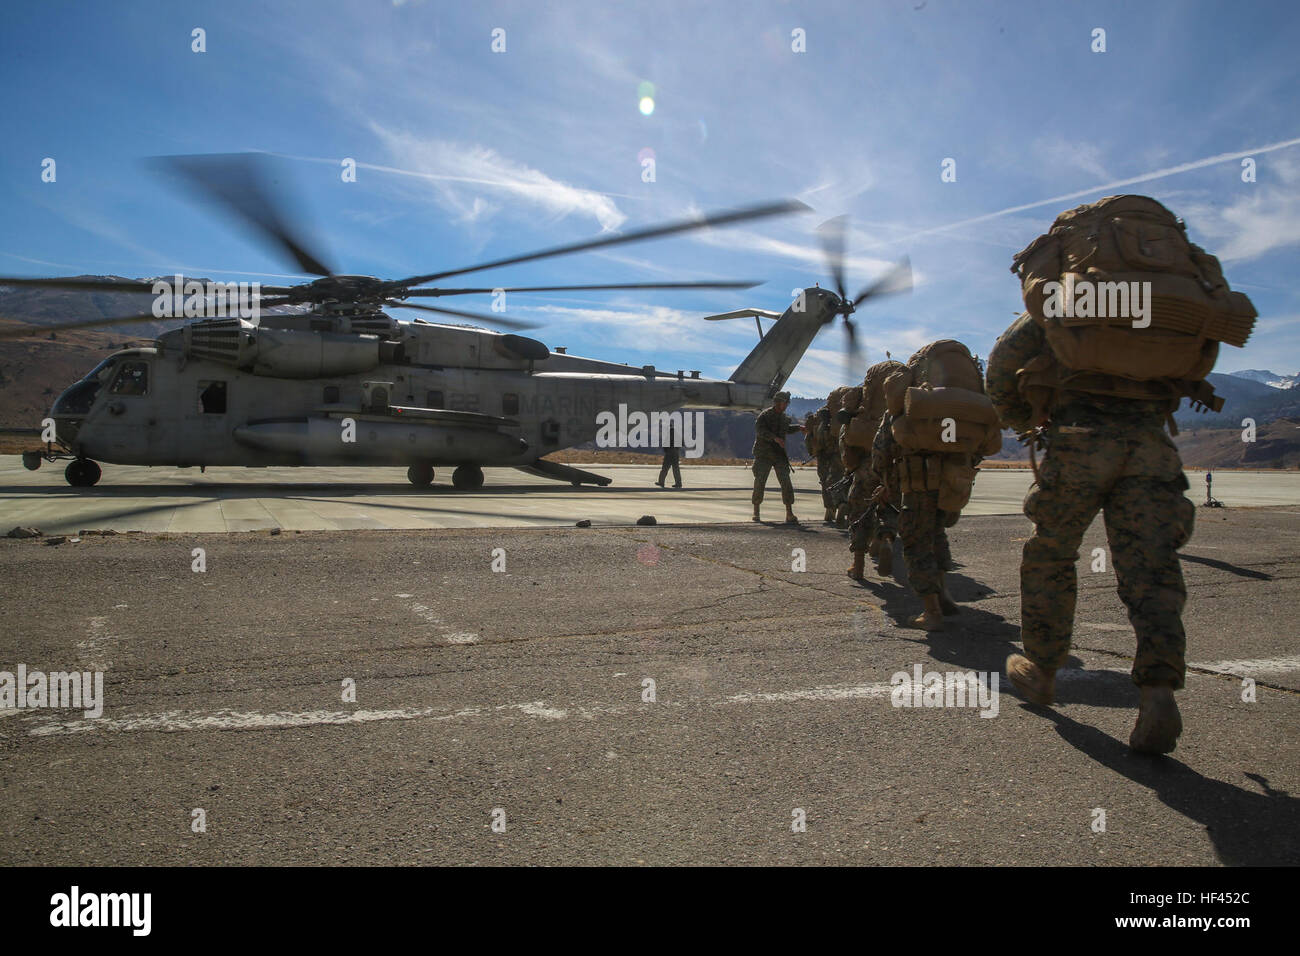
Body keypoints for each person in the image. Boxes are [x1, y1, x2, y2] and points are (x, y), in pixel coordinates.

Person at [987, 312, 1195, 754]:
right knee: (1152, 568)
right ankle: (1158, 691)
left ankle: (1042, 671)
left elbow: (1001, 369)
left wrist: (1028, 421)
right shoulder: (1169, 293)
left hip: (1078, 441)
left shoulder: (1065, 297)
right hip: (1151, 447)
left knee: (1051, 554)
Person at [752, 391, 804, 524]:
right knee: (760, 481)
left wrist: (799, 428)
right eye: (784, 402)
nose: (786, 405)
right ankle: (756, 511)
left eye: (787, 403)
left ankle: (789, 513)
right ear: (777, 402)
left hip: (779, 455)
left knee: (786, 482)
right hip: (764, 454)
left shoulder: (784, 418)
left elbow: (786, 429)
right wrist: (774, 438)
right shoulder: (765, 416)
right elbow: (760, 431)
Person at [656, 418, 682, 488]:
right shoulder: (676, 433)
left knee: (665, 467)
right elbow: (682, 443)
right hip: (675, 453)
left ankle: (661, 482)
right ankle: (678, 483)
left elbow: (665, 444)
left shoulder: (669, 434)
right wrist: (676, 449)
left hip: (670, 453)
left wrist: (667, 450)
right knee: (675, 468)